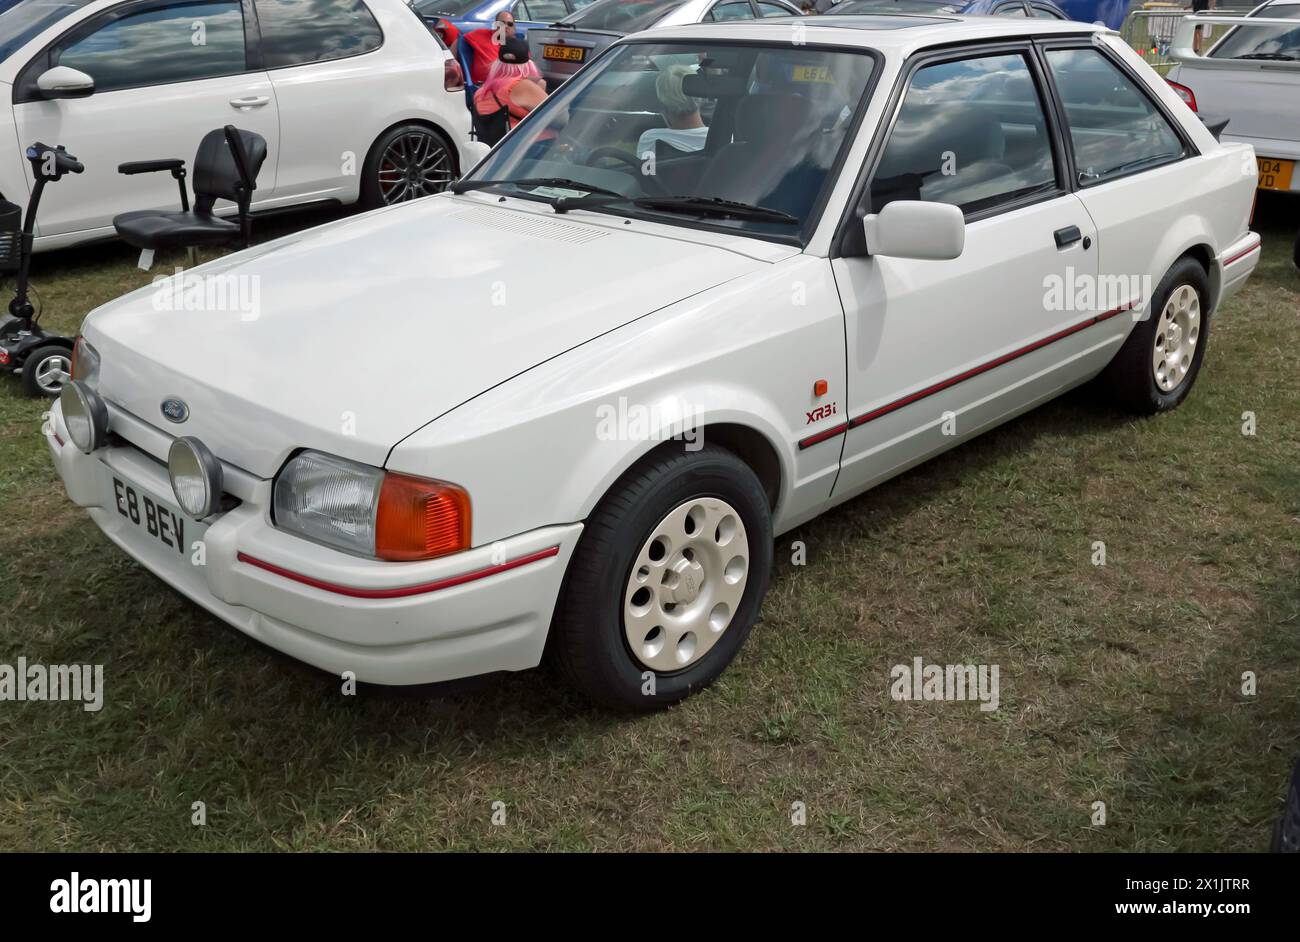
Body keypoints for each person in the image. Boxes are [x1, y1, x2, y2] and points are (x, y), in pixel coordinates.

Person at [473, 36, 547, 145]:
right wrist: (539, 86)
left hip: (499, 151)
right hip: (533, 149)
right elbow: (561, 118)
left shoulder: (480, 92)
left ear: (497, 64)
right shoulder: (523, 87)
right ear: (529, 64)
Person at [635, 65, 709, 159]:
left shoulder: (651, 139)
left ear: (662, 102)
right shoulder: (726, 138)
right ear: (700, 97)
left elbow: (647, 173)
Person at [461, 10, 518, 87]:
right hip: (485, 86)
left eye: (510, 24)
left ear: (513, 27)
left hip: (511, 85)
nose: (506, 26)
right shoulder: (481, 34)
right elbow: (459, 40)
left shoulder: (518, 45)